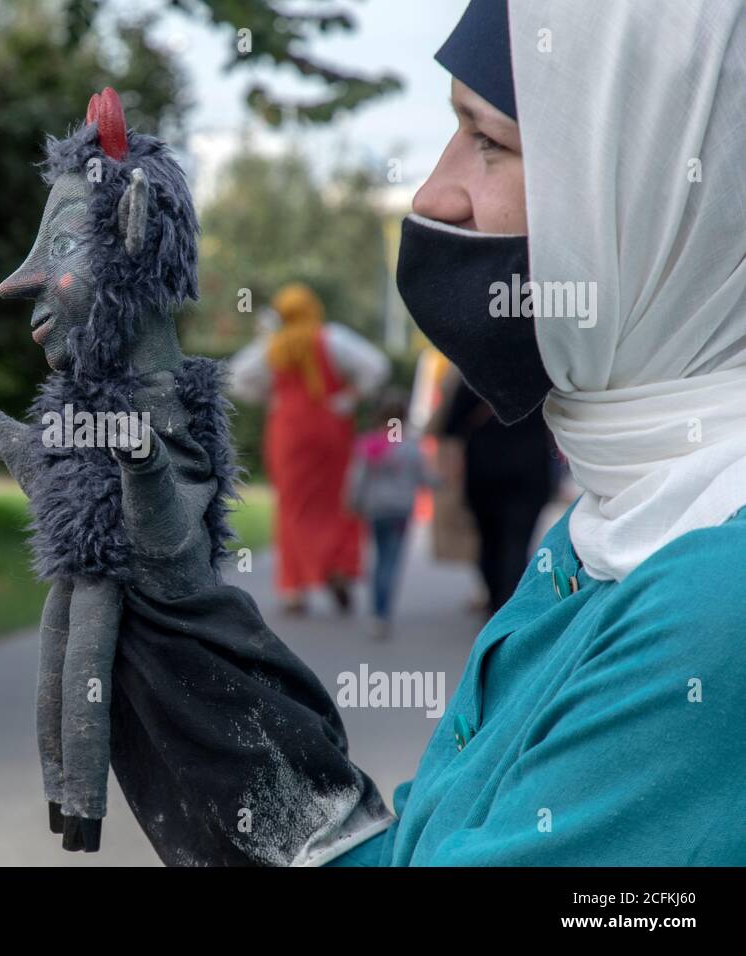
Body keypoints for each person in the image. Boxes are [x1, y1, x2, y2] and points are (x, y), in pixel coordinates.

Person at [315, 0, 746, 864]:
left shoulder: (716, 605)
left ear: (654, 189)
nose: (434, 195)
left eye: (490, 141)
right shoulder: (618, 518)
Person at [247, 283, 389, 615]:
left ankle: (294, 589)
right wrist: (350, 397)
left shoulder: (273, 346)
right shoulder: (333, 338)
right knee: (338, 500)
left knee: (292, 505)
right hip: (330, 427)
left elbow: (239, 377)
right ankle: (337, 566)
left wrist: (271, 398)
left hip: (287, 432)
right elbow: (377, 367)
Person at [441, 376, 555, 615]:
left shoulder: (473, 375)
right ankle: (508, 608)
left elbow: (450, 426)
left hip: (483, 471)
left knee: (489, 541)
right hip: (530, 470)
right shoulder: (540, 375)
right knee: (517, 542)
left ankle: (496, 603)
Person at [346, 388, 434, 639]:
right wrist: (444, 481)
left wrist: (353, 501)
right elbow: (424, 478)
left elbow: (358, 478)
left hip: (375, 509)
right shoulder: (411, 447)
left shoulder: (369, 444)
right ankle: (383, 613)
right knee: (391, 561)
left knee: (377, 558)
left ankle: (376, 611)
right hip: (400, 511)